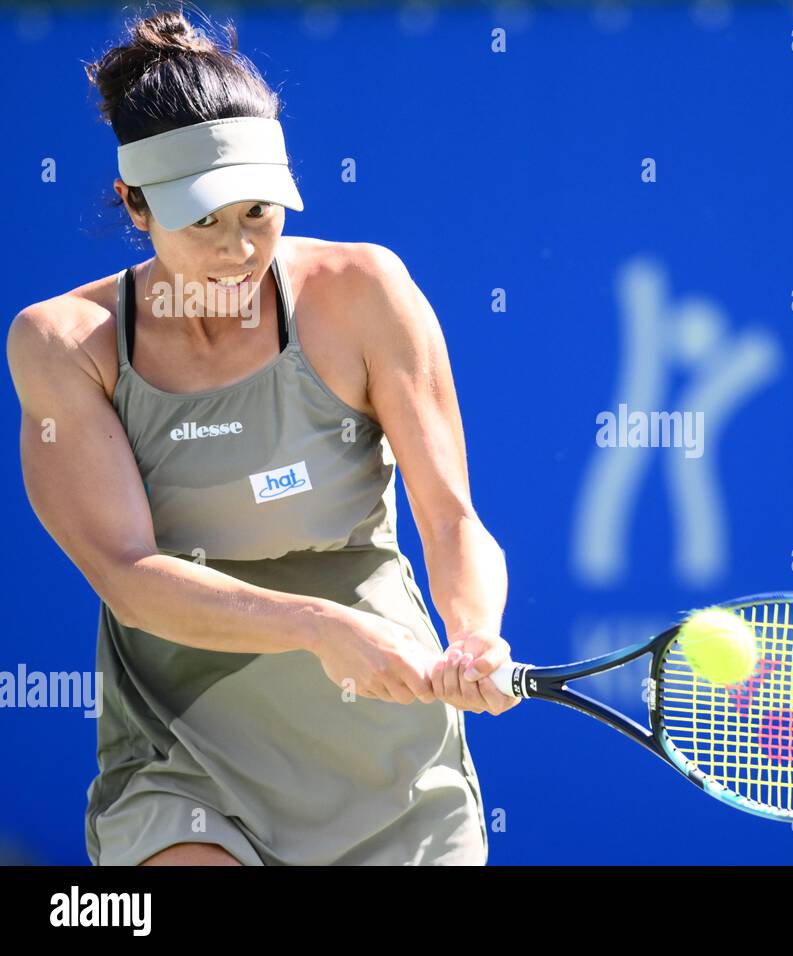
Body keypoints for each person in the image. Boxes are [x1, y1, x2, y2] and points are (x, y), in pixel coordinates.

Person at [6, 7, 517, 866]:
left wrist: (473, 634)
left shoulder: (363, 290)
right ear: (135, 205)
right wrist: (319, 628)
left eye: (258, 212)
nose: (238, 249)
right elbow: (129, 580)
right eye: (202, 221)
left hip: (387, 760)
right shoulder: (62, 345)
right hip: (186, 762)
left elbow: (452, 517)